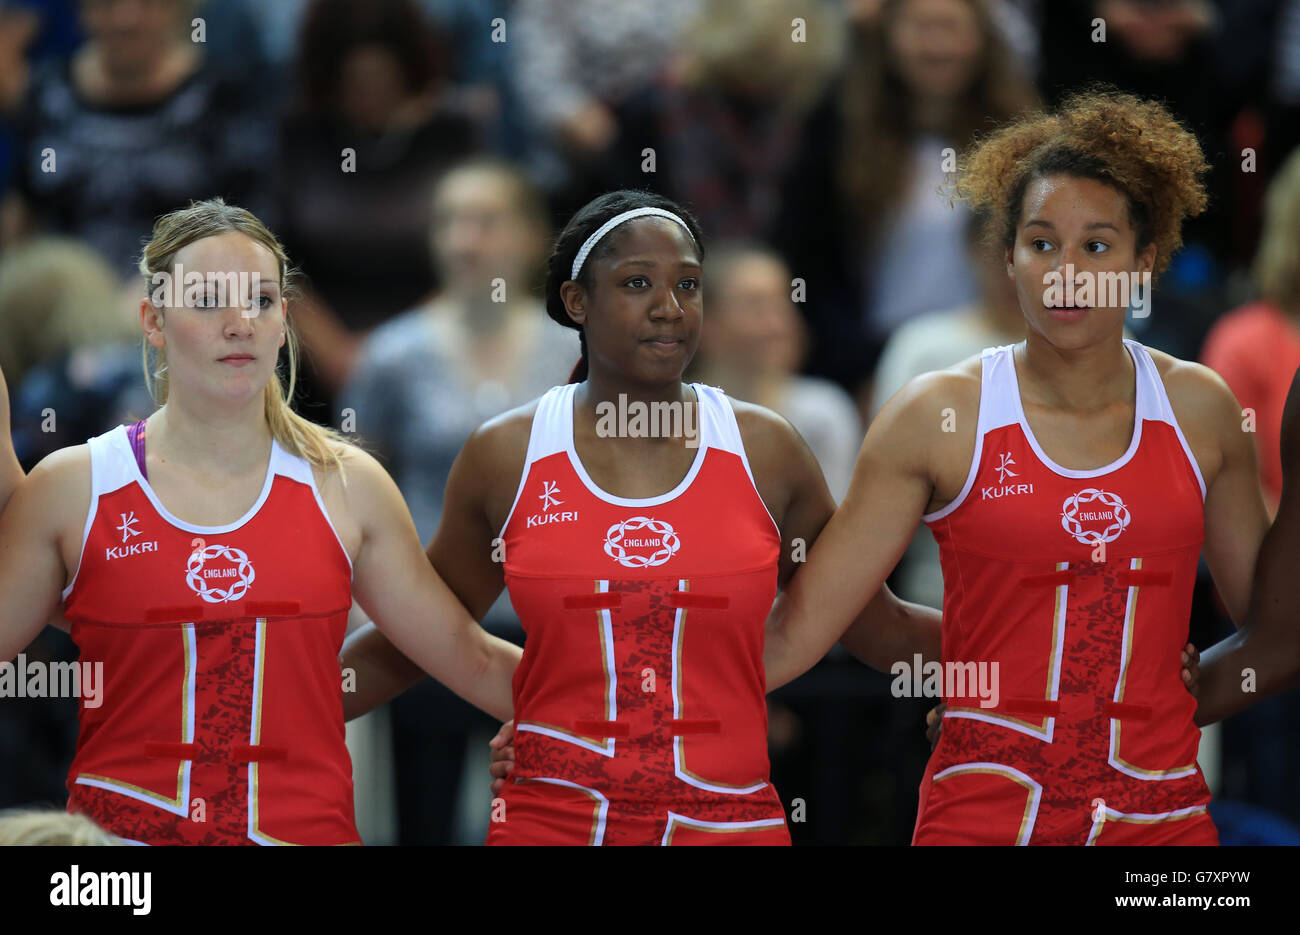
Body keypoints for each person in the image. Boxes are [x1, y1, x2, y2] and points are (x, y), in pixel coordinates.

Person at [341, 189, 944, 845]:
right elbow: (419, 631)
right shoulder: (505, 455)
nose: (670, 307)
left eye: (688, 284)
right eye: (637, 283)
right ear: (577, 301)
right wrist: (260, 709)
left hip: (731, 821)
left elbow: (874, 624)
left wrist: (994, 675)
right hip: (552, 819)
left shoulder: (768, 449)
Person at [759, 89, 1268, 845]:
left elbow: (1273, 628)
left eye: (1096, 246)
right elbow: (812, 626)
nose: (1065, 270)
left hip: (1161, 825)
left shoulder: (1201, 407)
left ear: (1144, 263)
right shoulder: (935, 413)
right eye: (1040, 242)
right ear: (1007, 257)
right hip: (985, 817)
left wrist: (1186, 691)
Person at [0, 199, 520, 845]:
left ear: (283, 323)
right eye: (209, 299)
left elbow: (468, 655)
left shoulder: (347, 485)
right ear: (153, 321)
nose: (241, 322)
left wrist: (590, 722)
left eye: (263, 301)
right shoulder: (71, 485)